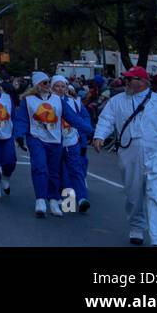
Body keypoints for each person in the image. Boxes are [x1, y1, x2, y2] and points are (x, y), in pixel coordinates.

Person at [92, 66, 157, 246]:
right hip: (129, 155)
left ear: (142, 82)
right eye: (126, 78)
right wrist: (100, 135)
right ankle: (136, 226)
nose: (126, 81)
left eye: (130, 78)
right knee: (134, 196)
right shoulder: (117, 101)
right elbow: (106, 119)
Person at [13, 71, 65, 218]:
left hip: (55, 139)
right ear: (37, 85)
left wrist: (93, 132)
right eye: (44, 83)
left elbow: (72, 117)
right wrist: (19, 136)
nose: (48, 85)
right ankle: (40, 200)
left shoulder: (58, 99)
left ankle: (53, 200)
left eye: (49, 82)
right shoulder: (28, 101)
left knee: (54, 171)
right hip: (36, 138)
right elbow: (21, 120)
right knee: (40, 167)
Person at [56, 76, 94, 212]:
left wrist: (84, 141)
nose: (60, 89)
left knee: (75, 170)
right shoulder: (48, 103)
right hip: (54, 143)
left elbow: (84, 121)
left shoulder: (76, 103)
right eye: (57, 86)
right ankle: (66, 202)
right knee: (60, 172)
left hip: (72, 141)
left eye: (63, 86)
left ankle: (82, 199)